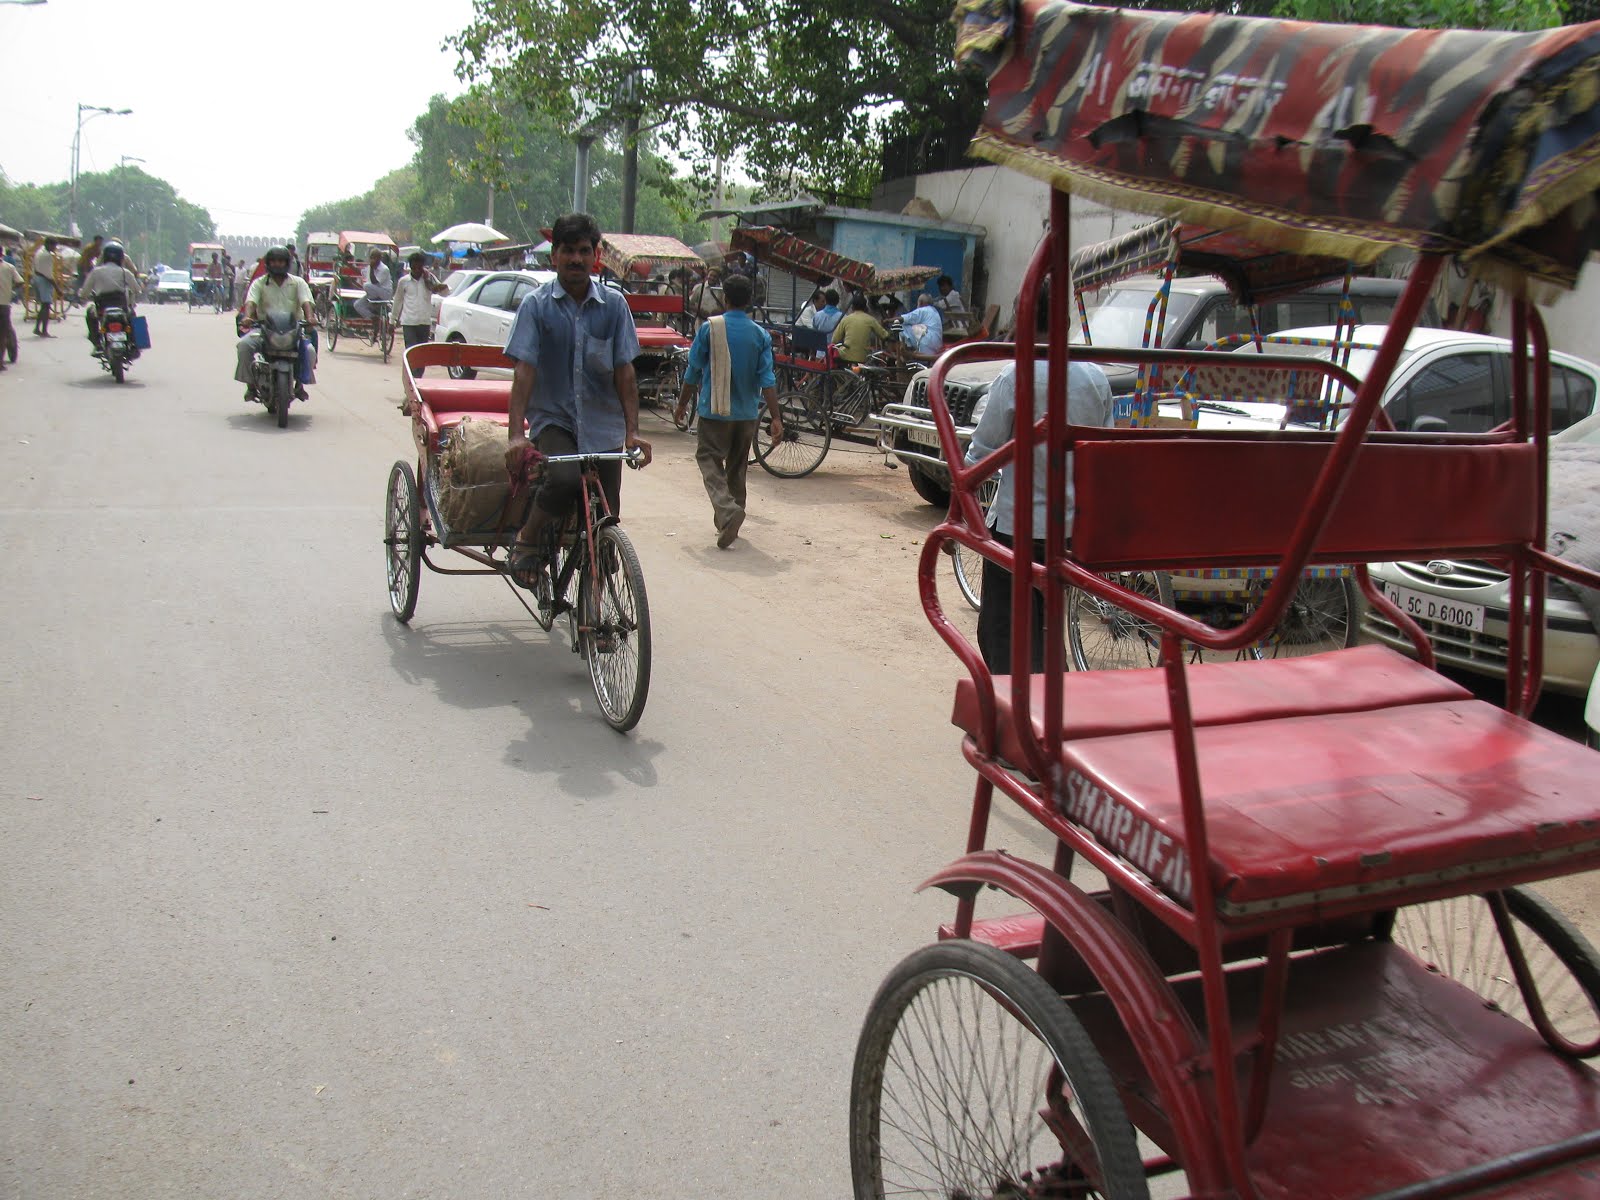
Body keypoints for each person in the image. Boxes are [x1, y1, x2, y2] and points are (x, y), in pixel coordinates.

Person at [963, 288, 1113, 674]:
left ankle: (1020, 718)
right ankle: (1051, 704)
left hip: (1019, 528)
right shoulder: (1096, 377)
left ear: (1023, 322)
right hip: (1070, 529)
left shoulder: (1016, 375)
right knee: (1048, 626)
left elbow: (979, 454)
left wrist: (961, 514)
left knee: (1002, 631)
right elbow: (1105, 452)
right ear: (1064, 323)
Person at [502, 212, 652, 585]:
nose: (576, 259)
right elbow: (524, 373)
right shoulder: (536, 306)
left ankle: (596, 605)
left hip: (603, 423)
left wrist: (633, 432)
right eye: (568, 251)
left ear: (595, 256)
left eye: (584, 251)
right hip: (554, 419)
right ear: (554, 256)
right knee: (565, 479)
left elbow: (625, 373)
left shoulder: (615, 306)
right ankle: (529, 537)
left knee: (608, 512)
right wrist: (515, 436)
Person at [674, 273, 783, 548]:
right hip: (746, 413)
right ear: (750, 301)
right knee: (737, 466)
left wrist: (682, 404)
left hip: (715, 411)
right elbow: (767, 379)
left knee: (708, 459)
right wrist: (776, 418)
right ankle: (733, 516)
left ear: (725, 298)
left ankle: (727, 511)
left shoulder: (710, 329)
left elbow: (693, 371)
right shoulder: (760, 334)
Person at [235, 245, 317, 402]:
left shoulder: (298, 282)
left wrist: (310, 317)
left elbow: (306, 302)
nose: (277, 264)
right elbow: (251, 302)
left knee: (310, 351)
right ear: (268, 263)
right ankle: (251, 386)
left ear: (287, 263)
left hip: (293, 330)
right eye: (273, 261)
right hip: (264, 328)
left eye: (281, 261)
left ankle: (300, 385)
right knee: (244, 346)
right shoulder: (259, 283)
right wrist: (248, 317)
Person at [79, 242, 142, 356]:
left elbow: (85, 291)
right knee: (133, 317)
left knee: (90, 313)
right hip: (121, 307)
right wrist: (133, 299)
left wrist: (82, 297)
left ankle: (97, 343)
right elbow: (137, 290)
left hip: (101, 308)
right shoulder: (125, 272)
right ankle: (135, 344)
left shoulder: (96, 271)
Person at [392, 251, 447, 378]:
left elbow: (444, 293)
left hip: (424, 322)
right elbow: (398, 300)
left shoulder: (430, 279)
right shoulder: (403, 281)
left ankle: (417, 380)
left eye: (419, 267)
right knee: (412, 352)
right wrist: (392, 320)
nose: (416, 270)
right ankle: (411, 380)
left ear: (423, 267)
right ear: (410, 267)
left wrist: (438, 287)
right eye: (414, 267)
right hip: (409, 322)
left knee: (422, 355)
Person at [830, 293, 890, 365]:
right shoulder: (870, 319)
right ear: (865, 307)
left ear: (852, 307)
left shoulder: (846, 319)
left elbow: (834, 339)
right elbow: (884, 335)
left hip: (845, 355)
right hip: (863, 357)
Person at [899, 292, 945, 358]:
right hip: (937, 344)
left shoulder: (923, 310)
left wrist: (888, 320)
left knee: (901, 326)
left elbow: (905, 318)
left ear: (920, 303)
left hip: (928, 343)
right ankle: (911, 350)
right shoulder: (934, 310)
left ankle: (907, 351)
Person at [31, 238, 59, 337]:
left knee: (44, 306)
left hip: (36, 278)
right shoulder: (47, 256)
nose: (55, 248)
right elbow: (49, 275)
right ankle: (44, 331)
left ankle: (37, 328)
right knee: (46, 306)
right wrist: (57, 288)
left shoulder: (39, 252)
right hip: (44, 280)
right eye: (54, 246)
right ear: (49, 244)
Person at [354, 248, 393, 321]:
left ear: (380, 258)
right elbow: (361, 272)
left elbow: (375, 282)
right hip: (373, 293)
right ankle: (373, 318)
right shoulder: (369, 267)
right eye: (372, 257)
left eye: (376, 258)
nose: (373, 259)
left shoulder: (384, 269)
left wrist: (371, 268)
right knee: (357, 305)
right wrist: (349, 265)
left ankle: (373, 298)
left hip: (384, 293)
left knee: (366, 285)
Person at [0, 251, 23, 369]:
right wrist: (11, 290)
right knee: (3, 333)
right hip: (4, 304)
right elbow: (20, 281)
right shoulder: (9, 267)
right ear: (1, 255)